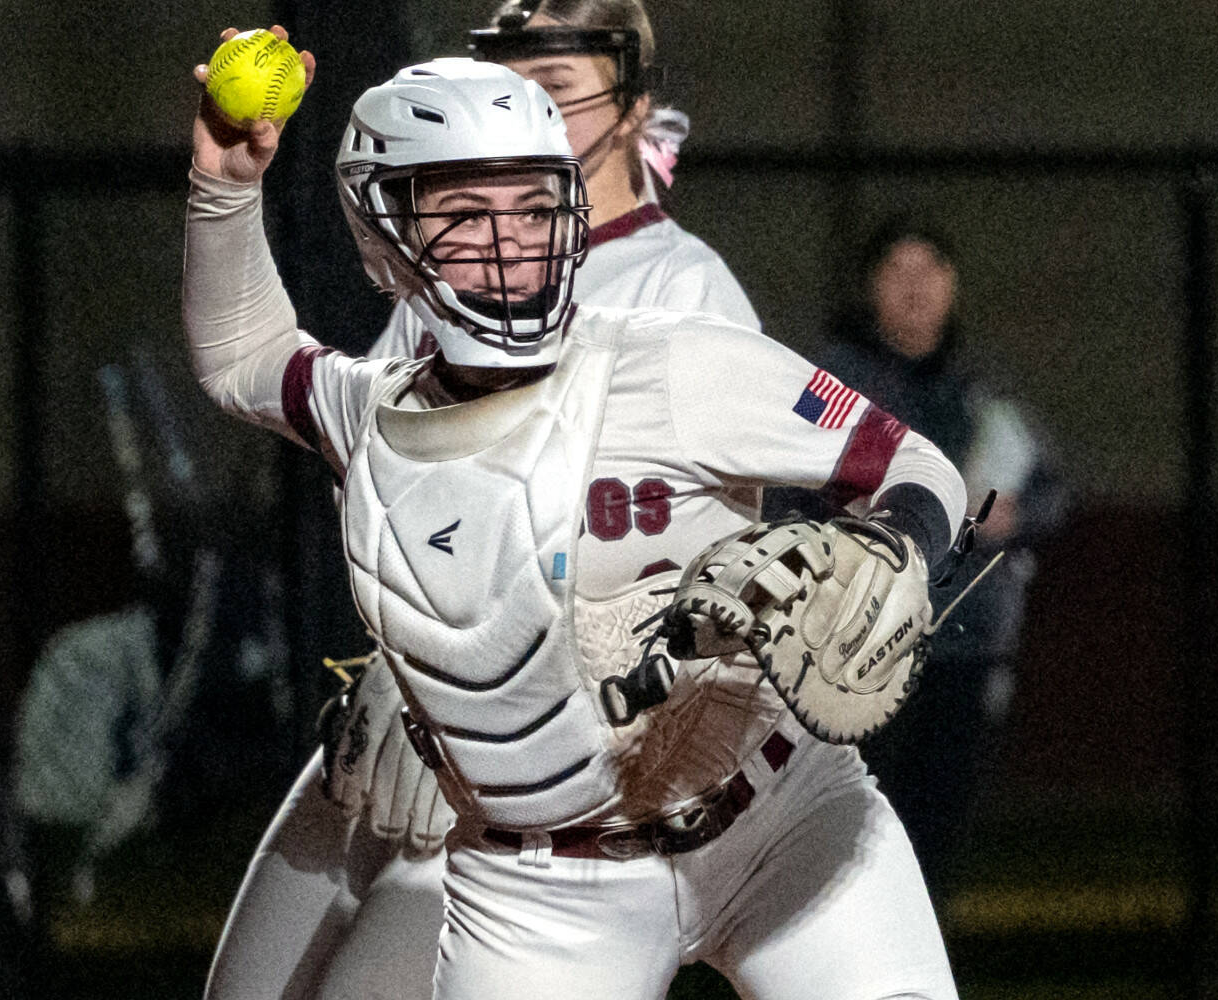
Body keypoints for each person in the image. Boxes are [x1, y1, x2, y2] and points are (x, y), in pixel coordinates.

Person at [186, 29, 969, 1000]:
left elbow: (916, 466)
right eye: (467, 210)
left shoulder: (672, 357)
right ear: (387, 236)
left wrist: (890, 546)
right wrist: (221, 186)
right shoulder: (372, 408)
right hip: (541, 883)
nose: (510, 240)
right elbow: (244, 360)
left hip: (779, 816)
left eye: (532, 203)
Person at [770, 216, 1066, 897]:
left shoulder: (981, 390)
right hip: (852, 643)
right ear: (871, 287)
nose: (914, 290)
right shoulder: (833, 382)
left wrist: (1016, 515)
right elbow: (784, 489)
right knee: (852, 827)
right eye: (897, 273)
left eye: (929, 272)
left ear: (952, 284)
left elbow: (1053, 487)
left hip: (963, 642)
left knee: (936, 828)